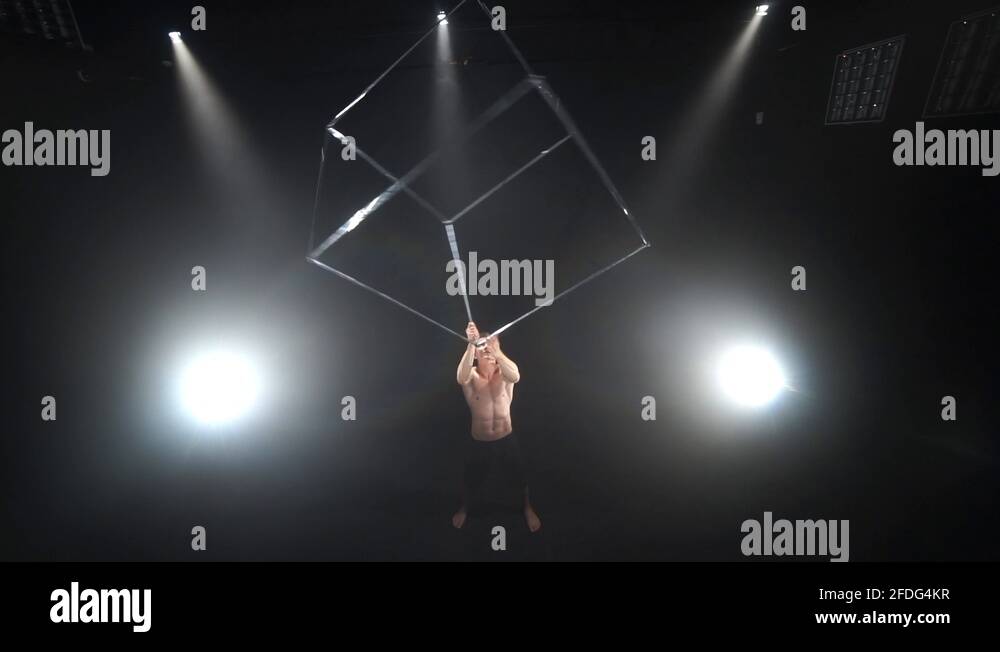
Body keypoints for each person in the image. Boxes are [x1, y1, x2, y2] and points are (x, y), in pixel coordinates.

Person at [453, 321, 541, 532]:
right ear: (476, 353)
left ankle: (527, 508)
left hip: (506, 437)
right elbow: (460, 377)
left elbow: (516, 375)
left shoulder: (504, 372)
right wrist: (471, 344)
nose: (489, 351)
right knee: (471, 479)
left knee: (519, 477)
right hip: (480, 440)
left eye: (492, 345)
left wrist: (498, 352)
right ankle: (465, 508)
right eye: (484, 348)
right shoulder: (472, 375)